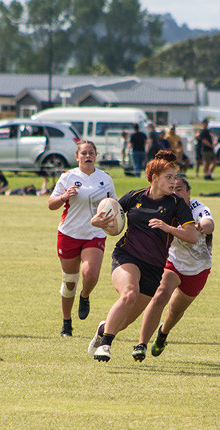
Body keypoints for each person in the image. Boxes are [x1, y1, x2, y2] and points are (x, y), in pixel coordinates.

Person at [88, 150, 199, 362]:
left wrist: (168, 228)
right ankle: (105, 345)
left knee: (124, 322)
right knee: (129, 293)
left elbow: (192, 236)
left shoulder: (177, 204)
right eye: (169, 177)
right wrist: (97, 221)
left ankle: (103, 329)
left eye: (175, 177)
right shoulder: (135, 197)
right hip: (127, 256)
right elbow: (107, 213)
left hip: (154, 267)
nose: (173, 182)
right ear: (154, 177)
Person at [137, 175, 214, 359]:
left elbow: (208, 221)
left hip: (198, 268)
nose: (175, 193)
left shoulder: (196, 207)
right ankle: (141, 344)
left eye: (179, 189)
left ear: (188, 193)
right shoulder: (165, 208)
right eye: (172, 189)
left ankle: (163, 333)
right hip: (172, 263)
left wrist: (203, 227)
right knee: (160, 296)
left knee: (175, 311)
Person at [48, 140, 117, 337]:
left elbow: (114, 204)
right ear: (77, 156)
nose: (88, 156)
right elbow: (51, 204)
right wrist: (64, 197)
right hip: (69, 233)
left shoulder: (105, 178)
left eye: (91, 153)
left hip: (94, 234)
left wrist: (110, 220)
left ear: (96, 156)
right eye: (84, 153)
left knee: (91, 274)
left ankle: (85, 295)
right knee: (70, 281)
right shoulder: (68, 177)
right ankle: (66, 323)